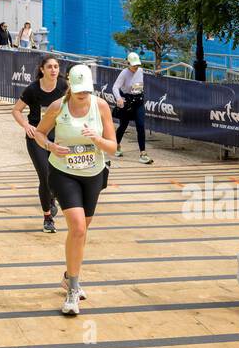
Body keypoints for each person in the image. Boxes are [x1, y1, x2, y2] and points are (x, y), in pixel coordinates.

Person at [34, 64, 119, 315]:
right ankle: (73, 289)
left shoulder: (100, 106)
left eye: (87, 90)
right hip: (63, 172)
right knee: (78, 228)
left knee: (80, 232)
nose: (83, 94)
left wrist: (97, 139)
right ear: (69, 85)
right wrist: (50, 146)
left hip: (93, 174)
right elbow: (39, 134)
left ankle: (68, 274)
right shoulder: (58, 106)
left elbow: (113, 147)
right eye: (78, 90)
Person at [11, 55, 67, 233]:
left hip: (58, 136)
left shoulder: (63, 86)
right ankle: (47, 217)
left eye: (56, 67)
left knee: (56, 175)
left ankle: (52, 198)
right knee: (44, 175)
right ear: (42, 69)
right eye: (49, 67)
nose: (54, 70)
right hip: (37, 136)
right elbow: (16, 110)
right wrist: (26, 125)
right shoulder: (33, 89)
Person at [111, 52, 153, 164]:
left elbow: (139, 85)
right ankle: (116, 145)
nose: (136, 67)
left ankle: (143, 153)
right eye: (134, 65)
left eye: (137, 65)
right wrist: (119, 98)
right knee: (123, 125)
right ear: (128, 63)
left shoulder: (140, 71)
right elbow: (115, 87)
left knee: (140, 125)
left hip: (138, 101)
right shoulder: (124, 73)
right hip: (127, 101)